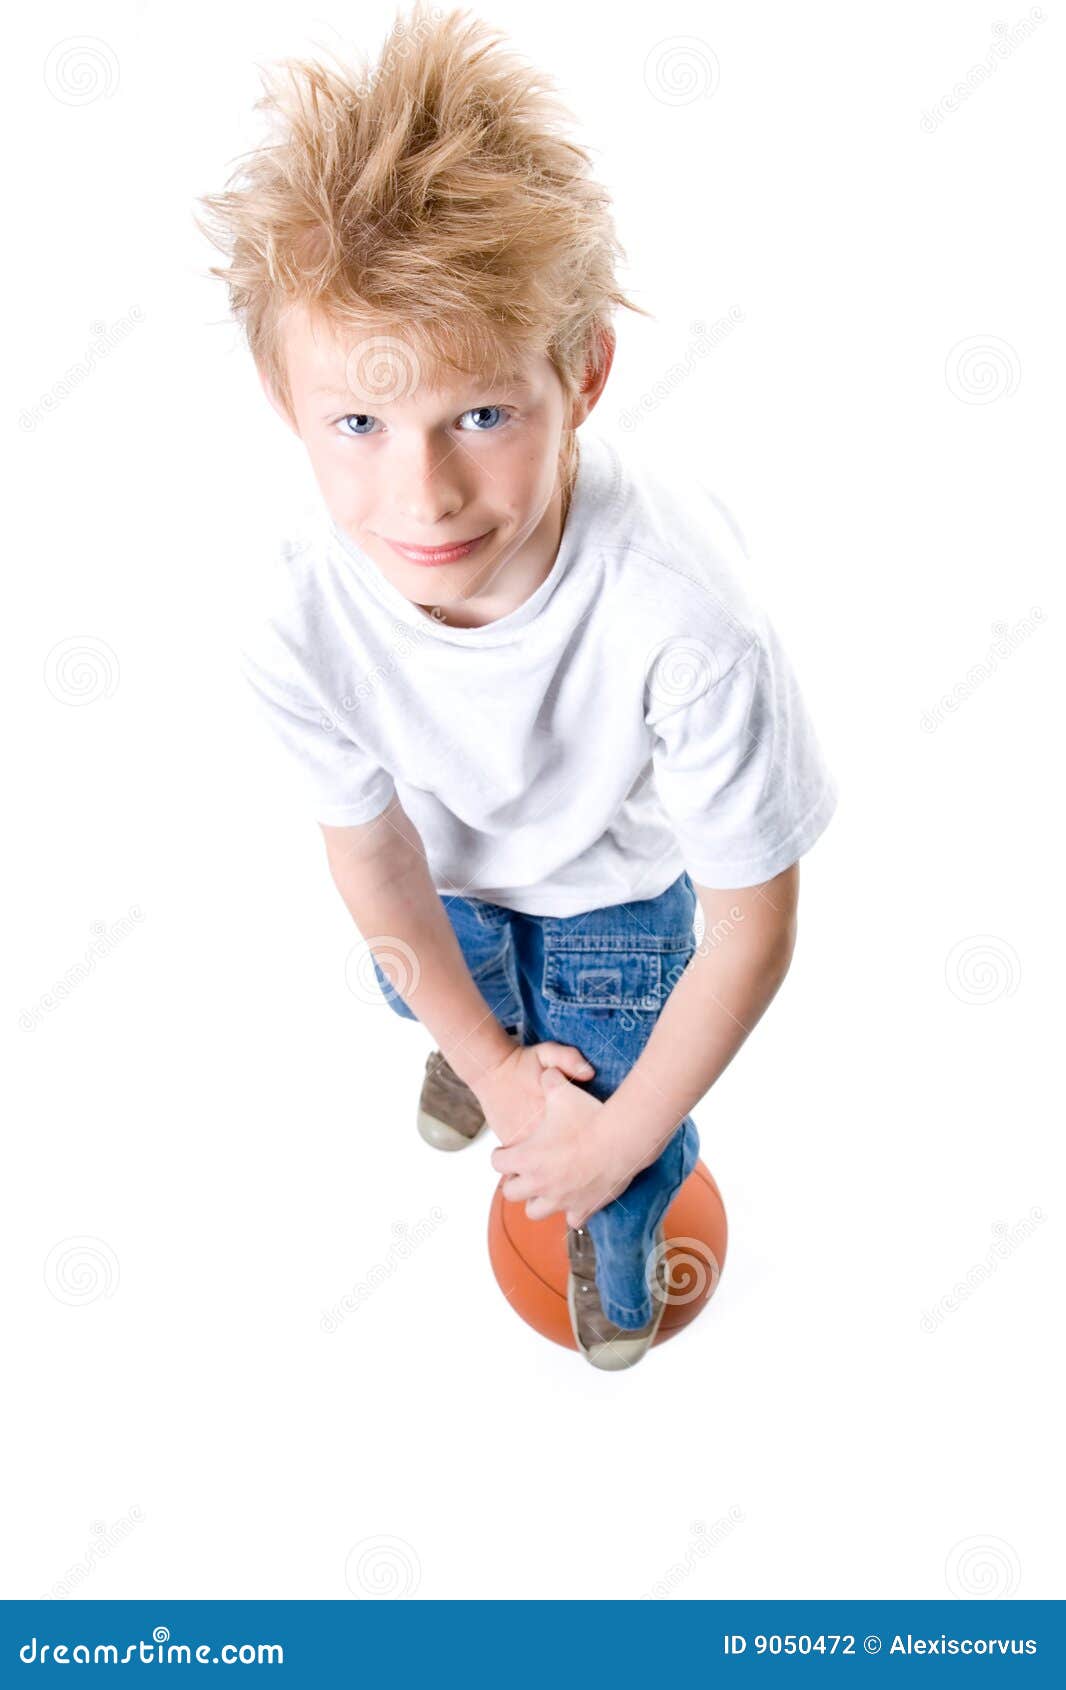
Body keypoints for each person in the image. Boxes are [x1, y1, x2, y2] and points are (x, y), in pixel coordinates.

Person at [195, 1, 838, 1370]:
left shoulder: (686, 618)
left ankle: (619, 1232)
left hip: (616, 912)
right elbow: (368, 856)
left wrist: (607, 1136)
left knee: (610, 1126)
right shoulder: (292, 608)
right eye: (358, 423)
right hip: (444, 901)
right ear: (282, 394)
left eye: (479, 414)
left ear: (583, 372)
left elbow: (749, 930)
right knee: (420, 983)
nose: (418, 494)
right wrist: (488, 1063)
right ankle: (482, 1040)